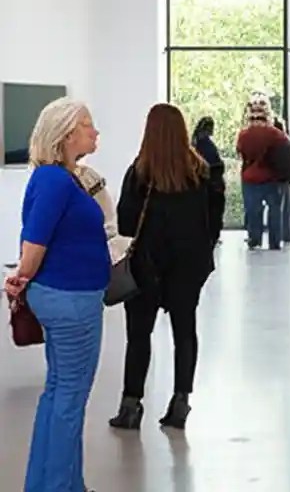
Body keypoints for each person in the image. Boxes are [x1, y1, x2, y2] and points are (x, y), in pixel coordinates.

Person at [4, 98, 108, 492]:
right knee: (69, 399)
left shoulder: (61, 178)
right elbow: (34, 241)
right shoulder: (54, 180)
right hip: (71, 301)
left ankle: (54, 484)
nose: (94, 132)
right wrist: (22, 273)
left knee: (58, 393)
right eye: (87, 125)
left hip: (66, 296)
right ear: (66, 134)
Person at [109, 103, 224, 431]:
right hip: (189, 265)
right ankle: (180, 402)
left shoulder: (139, 172)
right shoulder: (201, 170)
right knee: (185, 332)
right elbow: (213, 222)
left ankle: (131, 405)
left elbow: (127, 223)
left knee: (139, 335)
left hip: (146, 266)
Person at [236, 97, 289, 250]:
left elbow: (240, 153)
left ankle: (255, 238)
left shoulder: (244, 135)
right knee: (275, 211)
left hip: (250, 177)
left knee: (253, 211)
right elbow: (286, 152)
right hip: (272, 178)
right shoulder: (276, 134)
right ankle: (274, 241)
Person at [192, 116, 226, 242]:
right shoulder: (206, 145)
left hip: (204, 186)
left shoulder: (195, 143)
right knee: (214, 214)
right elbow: (214, 165)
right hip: (213, 185)